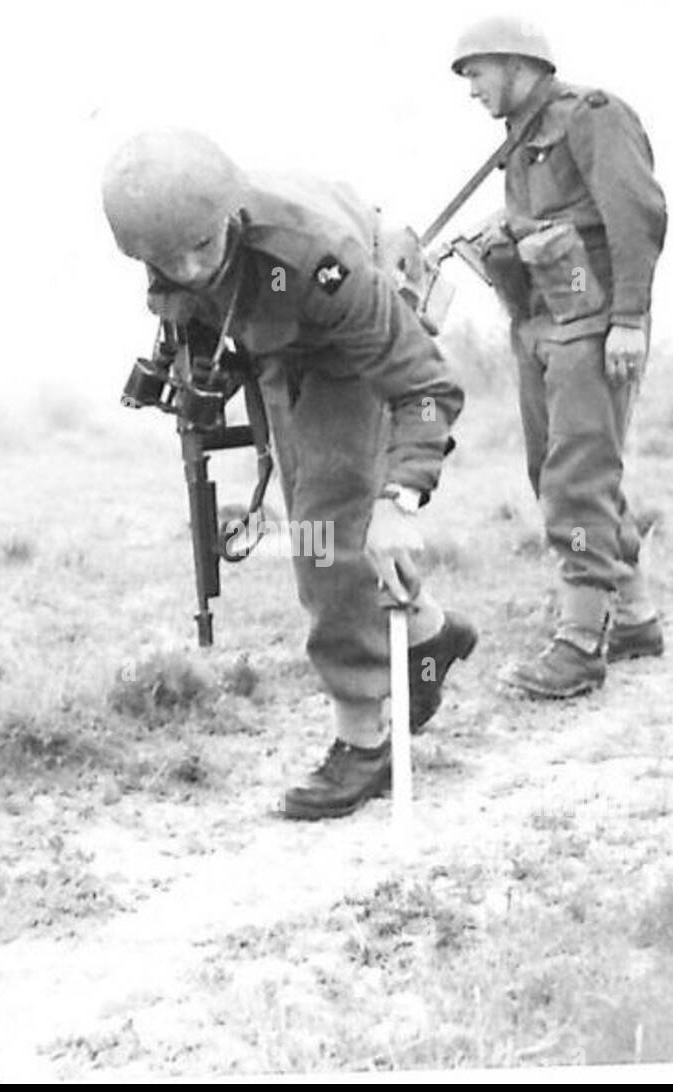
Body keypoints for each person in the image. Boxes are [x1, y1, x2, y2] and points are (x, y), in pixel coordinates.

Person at [101, 129, 477, 820]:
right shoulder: (170, 230)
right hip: (280, 347)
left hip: (345, 352)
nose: (188, 268)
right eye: (168, 260)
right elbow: (208, 298)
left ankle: (364, 740)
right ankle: (429, 634)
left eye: (201, 249)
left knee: (325, 542)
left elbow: (424, 382)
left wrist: (401, 498)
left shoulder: (313, 258)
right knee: (321, 528)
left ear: (227, 218)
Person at [450, 16, 668, 698]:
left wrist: (629, 321)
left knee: (576, 478)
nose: (472, 90)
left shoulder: (590, 117)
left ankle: (578, 644)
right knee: (558, 470)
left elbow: (637, 216)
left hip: (594, 324)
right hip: (543, 323)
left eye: (476, 73)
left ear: (516, 64)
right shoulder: (519, 141)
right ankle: (632, 616)